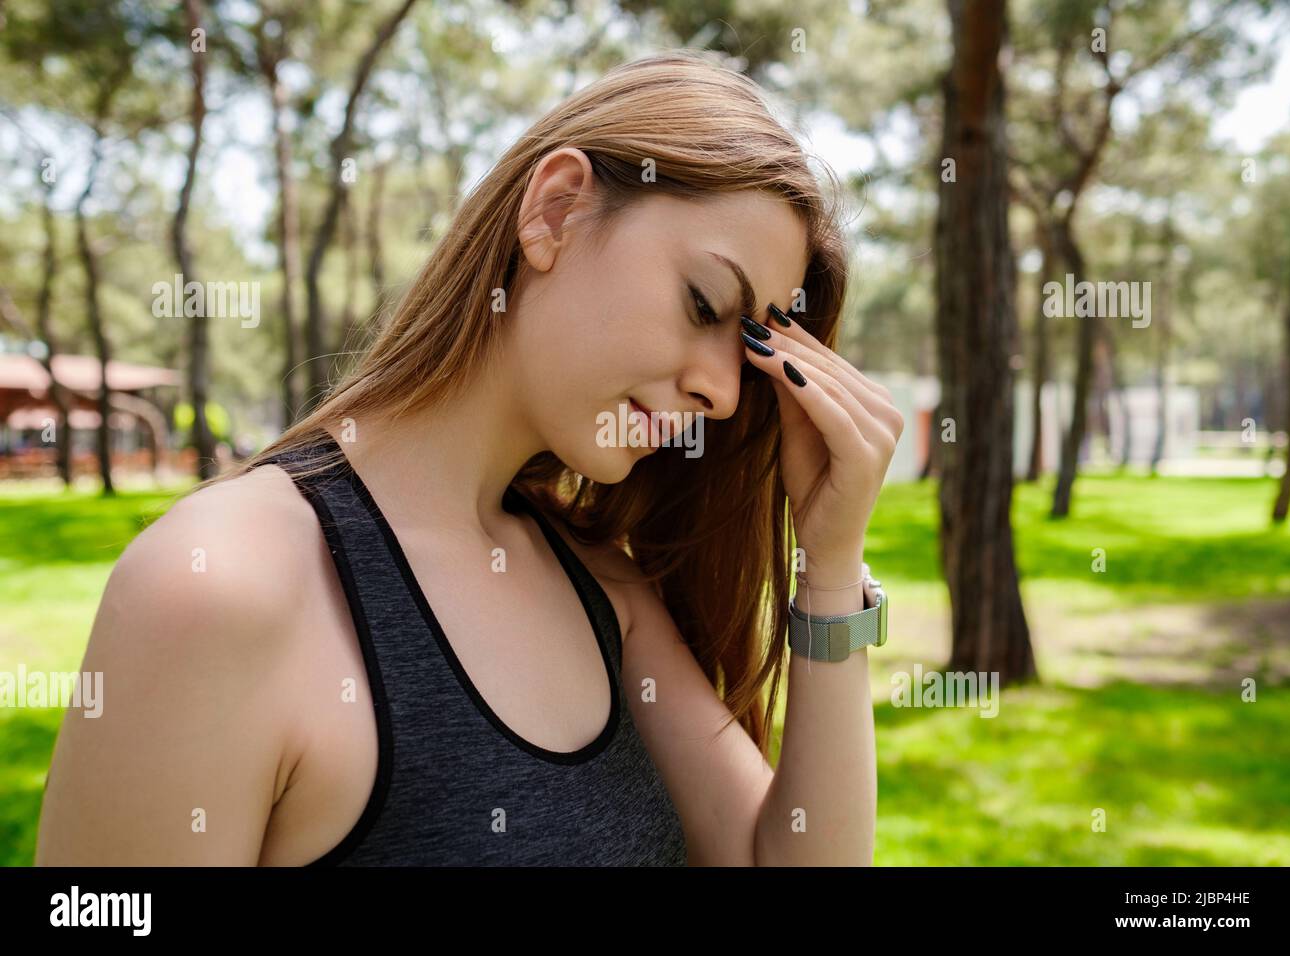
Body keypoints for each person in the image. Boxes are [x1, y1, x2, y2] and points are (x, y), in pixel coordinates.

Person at [35, 49, 902, 866]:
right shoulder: (219, 587)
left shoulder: (607, 592)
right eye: (705, 302)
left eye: (748, 350)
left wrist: (830, 566)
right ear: (555, 210)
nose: (721, 391)